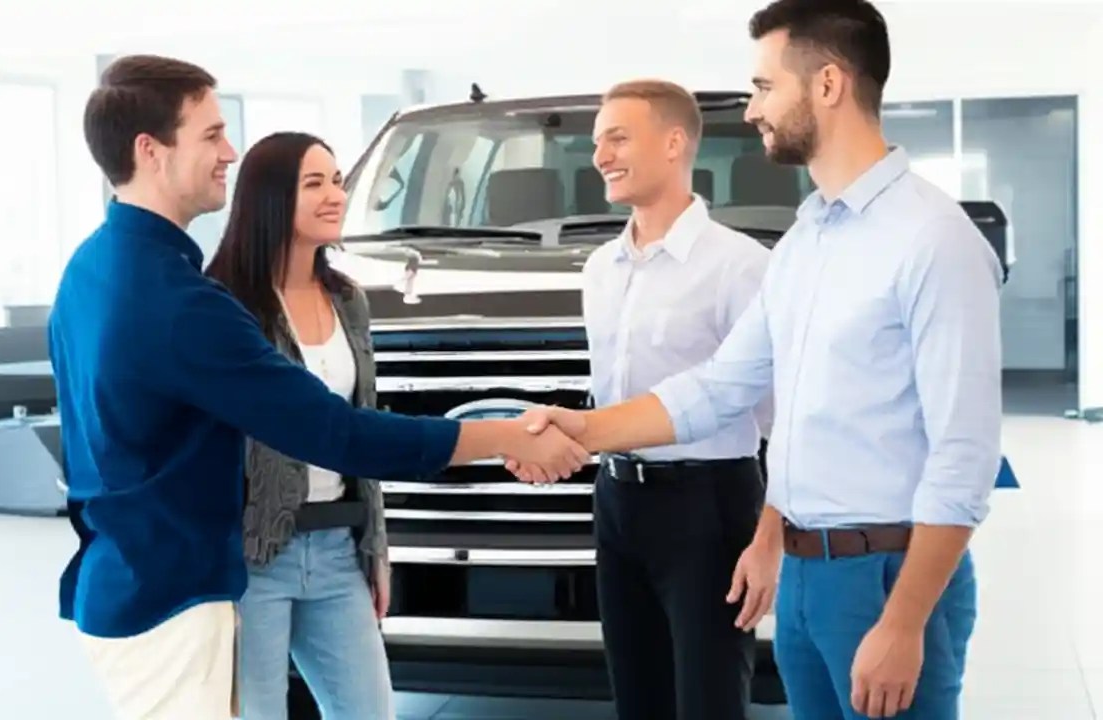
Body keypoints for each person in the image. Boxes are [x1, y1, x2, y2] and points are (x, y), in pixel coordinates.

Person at [49, 54, 589, 720]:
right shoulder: (181, 302)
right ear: (150, 151)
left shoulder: (91, 266)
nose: (230, 150)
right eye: (212, 134)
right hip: (175, 596)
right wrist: (506, 434)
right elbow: (335, 431)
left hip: (126, 576)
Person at [509, 1, 1004, 718]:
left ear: (827, 85)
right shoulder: (807, 241)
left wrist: (903, 622)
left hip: (886, 574)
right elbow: (719, 387)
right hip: (807, 573)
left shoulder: (932, 239)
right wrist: (579, 430)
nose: (752, 110)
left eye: (765, 87)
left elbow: (965, 455)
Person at [580, 79, 773, 720]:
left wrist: (769, 537)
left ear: (673, 143)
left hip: (709, 506)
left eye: (617, 137)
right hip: (616, 499)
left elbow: (782, 421)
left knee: (708, 702)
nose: (601, 155)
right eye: (597, 141)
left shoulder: (740, 266)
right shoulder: (599, 269)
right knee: (636, 698)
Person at [202, 131, 396, 719]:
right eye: (315, 183)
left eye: (336, 180)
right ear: (270, 198)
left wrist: (377, 546)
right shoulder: (225, 304)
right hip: (254, 554)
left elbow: (361, 426)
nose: (335, 194)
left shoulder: (348, 299)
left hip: (338, 547)